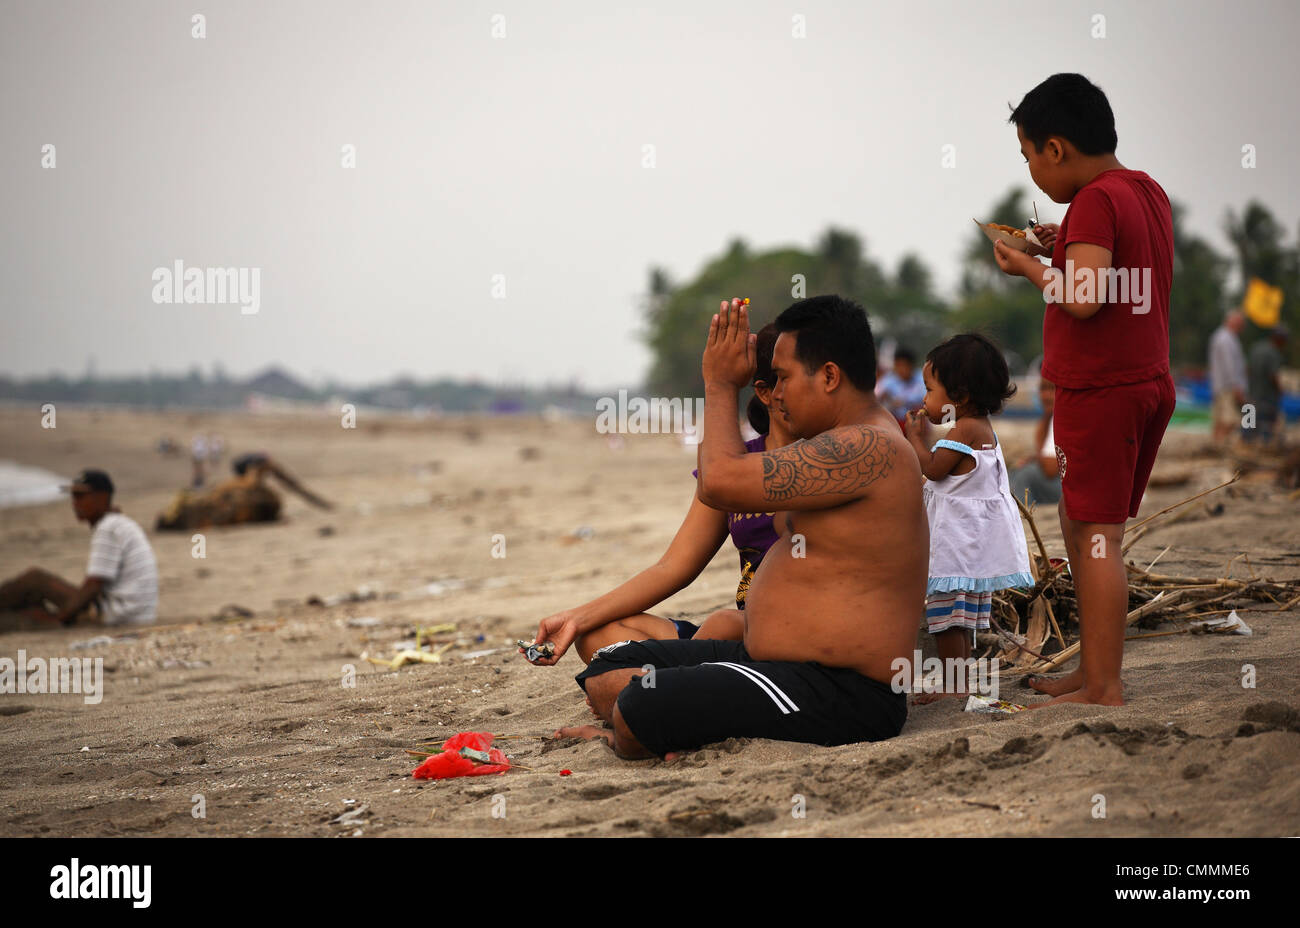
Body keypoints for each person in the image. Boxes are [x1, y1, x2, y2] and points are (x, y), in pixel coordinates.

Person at [547, 295, 929, 758]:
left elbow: (720, 482)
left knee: (640, 704)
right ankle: (674, 720)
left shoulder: (870, 447)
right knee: (610, 665)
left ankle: (636, 731)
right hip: (769, 660)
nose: (776, 393)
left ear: (829, 376)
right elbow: (710, 499)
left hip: (840, 691)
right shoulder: (837, 442)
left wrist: (720, 384)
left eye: (784, 378)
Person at [992, 73, 1175, 707]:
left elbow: (1086, 299)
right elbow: (1115, 272)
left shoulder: (1095, 200)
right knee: (1080, 526)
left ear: (1057, 148)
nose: (1032, 174)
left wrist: (1030, 267)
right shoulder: (1144, 191)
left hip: (1102, 392)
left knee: (1098, 539)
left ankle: (1104, 685)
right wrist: (1060, 246)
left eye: (1029, 158)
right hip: (1147, 382)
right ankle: (1093, 670)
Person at [529, 326, 793, 664]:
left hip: (778, 632)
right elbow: (672, 567)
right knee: (597, 636)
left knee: (723, 624)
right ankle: (673, 681)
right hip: (738, 634)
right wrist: (576, 618)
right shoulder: (731, 467)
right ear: (766, 392)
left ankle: (660, 689)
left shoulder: (825, 459)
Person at [904, 334, 1034, 700]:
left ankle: (954, 685)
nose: (925, 399)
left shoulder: (963, 430)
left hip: (955, 549)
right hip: (973, 550)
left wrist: (915, 438)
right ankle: (959, 682)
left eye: (930, 390)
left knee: (946, 621)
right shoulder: (982, 428)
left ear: (958, 398)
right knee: (959, 620)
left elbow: (933, 469)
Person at [0, 469, 159, 627]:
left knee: (34, 579)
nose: (75, 503)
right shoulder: (120, 522)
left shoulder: (108, 527)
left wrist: (59, 619)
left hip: (116, 614)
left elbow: (93, 586)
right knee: (32, 598)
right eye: (73, 497)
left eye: (81, 497)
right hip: (134, 611)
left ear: (102, 497)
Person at [1009, 376, 1062, 506]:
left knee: (1027, 474)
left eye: (1051, 389)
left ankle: (1020, 514)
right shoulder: (1048, 420)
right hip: (1057, 486)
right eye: (1042, 389)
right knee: (1014, 472)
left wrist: (1036, 459)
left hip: (1072, 490)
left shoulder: (1061, 420)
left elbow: (1050, 469)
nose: (1045, 396)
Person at [1209, 310, 1248, 446]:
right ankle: (1220, 445)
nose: (1243, 327)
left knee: (1220, 419)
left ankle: (1215, 445)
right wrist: (1236, 386)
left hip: (1221, 386)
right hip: (1227, 387)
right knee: (1230, 420)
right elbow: (1229, 365)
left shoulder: (1222, 337)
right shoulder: (1226, 339)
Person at [1245, 324, 1287, 446]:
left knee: (1249, 423)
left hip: (1252, 393)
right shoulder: (1274, 353)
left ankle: (1246, 444)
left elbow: (1247, 369)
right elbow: (1273, 375)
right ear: (1280, 339)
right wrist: (1280, 389)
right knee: (1266, 426)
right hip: (1267, 396)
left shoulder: (1256, 348)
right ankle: (1264, 447)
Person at [876, 346, 927, 429]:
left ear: (912, 365)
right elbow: (878, 397)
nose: (901, 369)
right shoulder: (889, 380)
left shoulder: (922, 378)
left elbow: (926, 398)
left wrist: (903, 402)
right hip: (896, 422)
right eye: (898, 365)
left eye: (904, 365)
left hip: (918, 422)